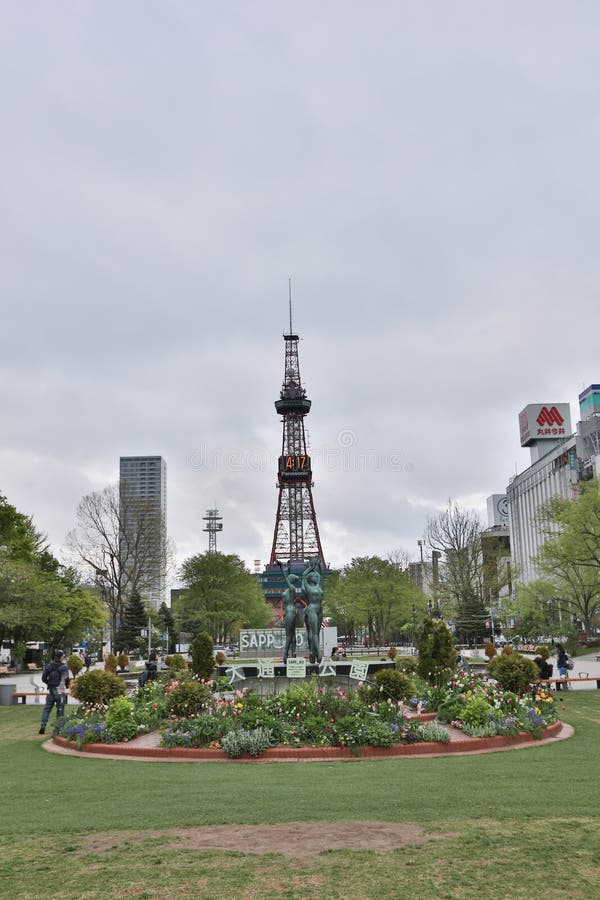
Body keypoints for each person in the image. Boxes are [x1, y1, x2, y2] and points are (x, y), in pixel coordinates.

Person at [39, 650, 70, 735]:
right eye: (63, 656)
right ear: (61, 657)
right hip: (60, 690)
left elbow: (43, 678)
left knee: (47, 709)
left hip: (51, 690)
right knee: (60, 709)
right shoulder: (64, 667)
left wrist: (49, 683)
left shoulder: (49, 666)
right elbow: (66, 679)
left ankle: (43, 724)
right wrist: (67, 686)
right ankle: (58, 728)